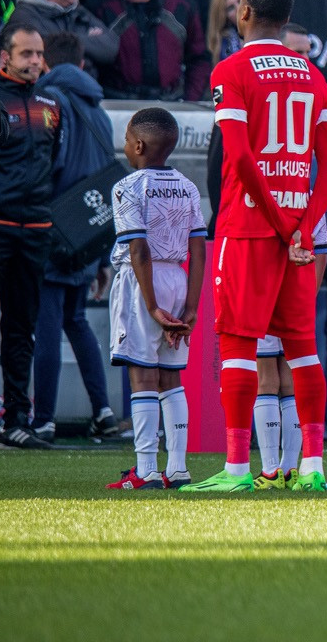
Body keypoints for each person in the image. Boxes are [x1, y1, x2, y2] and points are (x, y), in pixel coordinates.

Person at [181, 0, 327, 492]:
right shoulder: (314, 77)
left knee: (238, 343)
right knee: (303, 348)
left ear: (245, 11)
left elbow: (239, 155)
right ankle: (314, 467)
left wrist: (277, 221)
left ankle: (235, 470)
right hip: (298, 230)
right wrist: (301, 223)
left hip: (250, 226)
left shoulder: (230, 69)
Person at [102, 109, 202, 488]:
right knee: (170, 377)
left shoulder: (128, 187)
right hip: (178, 276)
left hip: (141, 281)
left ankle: (144, 468)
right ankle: (177, 467)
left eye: (127, 140)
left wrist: (151, 306)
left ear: (139, 145)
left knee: (142, 375)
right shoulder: (188, 186)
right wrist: (190, 307)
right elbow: (199, 249)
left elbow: (139, 249)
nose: (125, 147)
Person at [0, 22, 63, 448]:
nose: (35, 61)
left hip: (36, 231)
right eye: (26, 53)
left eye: (39, 54)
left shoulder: (53, 103)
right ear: (3, 57)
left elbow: (55, 163)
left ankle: (16, 423)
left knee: (20, 330)